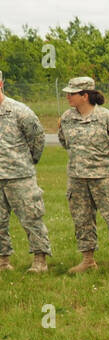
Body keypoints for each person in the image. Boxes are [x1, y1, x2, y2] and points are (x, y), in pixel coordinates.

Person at [58, 76, 109, 273]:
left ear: (85, 95)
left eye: (72, 93)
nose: (68, 97)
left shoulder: (107, 118)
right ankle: (88, 259)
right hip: (77, 177)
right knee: (82, 219)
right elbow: (64, 141)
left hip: (105, 177)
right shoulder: (67, 117)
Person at [0, 69, 51, 273]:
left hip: (19, 176)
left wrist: (27, 162)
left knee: (31, 218)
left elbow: (37, 139)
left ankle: (40, 260)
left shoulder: (19, 111)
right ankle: (3, 261)